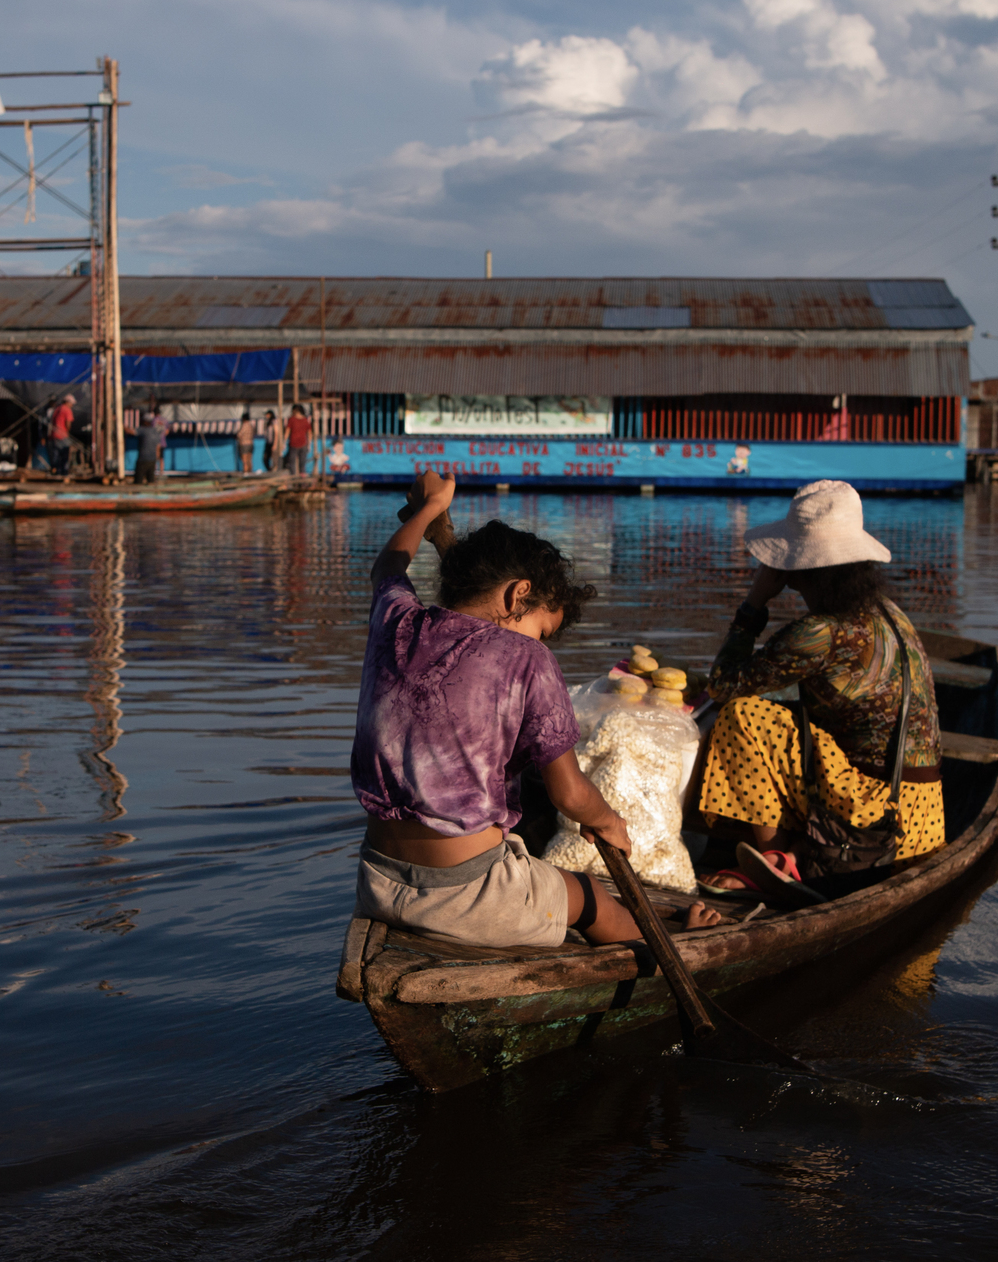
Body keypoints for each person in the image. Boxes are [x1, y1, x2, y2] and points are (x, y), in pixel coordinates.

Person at [353, 467, 723, 948]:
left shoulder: (397, 619)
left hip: (379, 880)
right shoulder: (527, 658)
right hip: (469, 892)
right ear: (518, 593)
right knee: (591, 896)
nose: (541, 643)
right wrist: (608, 820)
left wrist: (429, 510)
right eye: (543, 630)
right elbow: (568, 793)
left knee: (521, 849)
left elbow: (387, 567)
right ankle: (676, 944)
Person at [696, 479, 944, 893]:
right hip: (924, 814)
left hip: (873, 812)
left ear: (797, 570)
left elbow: (722, 685)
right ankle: (799, 849)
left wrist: (754, 602)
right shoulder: (888, 612)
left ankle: (776, 862)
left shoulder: (820, 633)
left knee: (743, 716)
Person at [133, 403, 168, 484]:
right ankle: (161, 473)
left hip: (150, 447)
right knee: (161, 459)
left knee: (142, 473)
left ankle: (155, 472)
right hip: (161, 442)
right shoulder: (165, 420)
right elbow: (167, 431)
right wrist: (161, 435)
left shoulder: (154, 421)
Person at [47, 394, 77, 475]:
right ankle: (64, 472)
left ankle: (56, 471)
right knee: (64, 455)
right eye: (71, 403)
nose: (72, 405)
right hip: (62, 435)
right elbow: (68, 423)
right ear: (67, 402)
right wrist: (67, 432)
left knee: (56, 455)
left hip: (54, 435)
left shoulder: (57, 409)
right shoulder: (67, 410)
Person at [285, 404, 313, 474]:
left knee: (292, 463)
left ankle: (293, 477)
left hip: (293, 444)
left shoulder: (292, 419)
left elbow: (287, 431)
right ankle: (302, 478)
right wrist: (309, 444)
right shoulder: (305, 420)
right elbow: (309, 433)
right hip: (303, 444)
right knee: (302, 464)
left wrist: (284, 442)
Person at [263, 408, 286, 473]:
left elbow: (276, 433)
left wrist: (275, 444)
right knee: (265, 458)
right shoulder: (268, 423)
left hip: (274, 442)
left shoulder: (274, 421)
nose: (266, 416)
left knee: (275, 458)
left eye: (267, 415)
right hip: (269, 443)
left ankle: (275, 471)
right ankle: (270, 470)